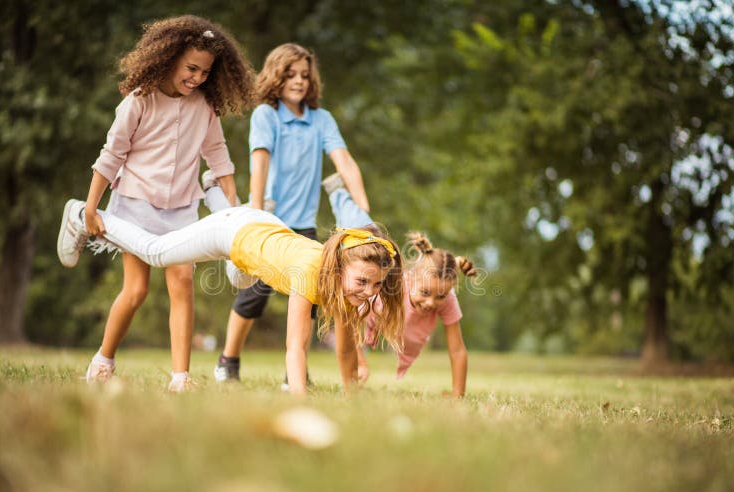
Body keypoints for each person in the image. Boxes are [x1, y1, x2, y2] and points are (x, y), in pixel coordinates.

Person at [58, 15, 255, 392]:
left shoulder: (204, 106)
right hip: (136, 205)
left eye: (205, 72)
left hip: (182, 208)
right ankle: (104, 358)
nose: (197, 77)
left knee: (182, 285)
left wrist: (231, 214)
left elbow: (219, 158)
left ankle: (180, 377)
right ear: (169, 57)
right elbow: (111, 155)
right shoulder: (139, 101)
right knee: (136, 291)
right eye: (191, 68)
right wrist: (90, 207)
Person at [57, 195, 404, 395]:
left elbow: (344, 346)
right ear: (341, 265)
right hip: (233, 231)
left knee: (240, 279)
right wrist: (300, 402)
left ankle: (215, 194)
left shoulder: (345, 285)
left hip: (262, 230)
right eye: (363, 282)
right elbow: (295, 347)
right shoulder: (309, 272)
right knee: (157, 252)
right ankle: (83, 214)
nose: (370, 292)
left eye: (376, 285)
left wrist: (351, 394)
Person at [208, 43, 370, 384]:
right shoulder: (266, 115)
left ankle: (293, 374)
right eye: (291, 74)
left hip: (305, 228)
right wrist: (255, 213)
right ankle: (228, 360)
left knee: (310, 300)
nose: (299, 81)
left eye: (305, 76)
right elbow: (260, 162)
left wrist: (363, 215)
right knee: (254, 297)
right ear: (275, 77)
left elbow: (345, 163)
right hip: (269, 222)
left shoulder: (321, 120)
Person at [323, 175, 476, 398]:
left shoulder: (447, 297)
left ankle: (346, 199)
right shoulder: (385, 289)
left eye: (440, 296)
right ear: (411, 279)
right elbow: (350, 322)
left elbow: (458, 350)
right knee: (357, 224)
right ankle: (338, 192)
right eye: (425, 292)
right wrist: (361, 363)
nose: (431, 302)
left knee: (359, 225)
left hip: (374, 250)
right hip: (368, 241)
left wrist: (457, 396)